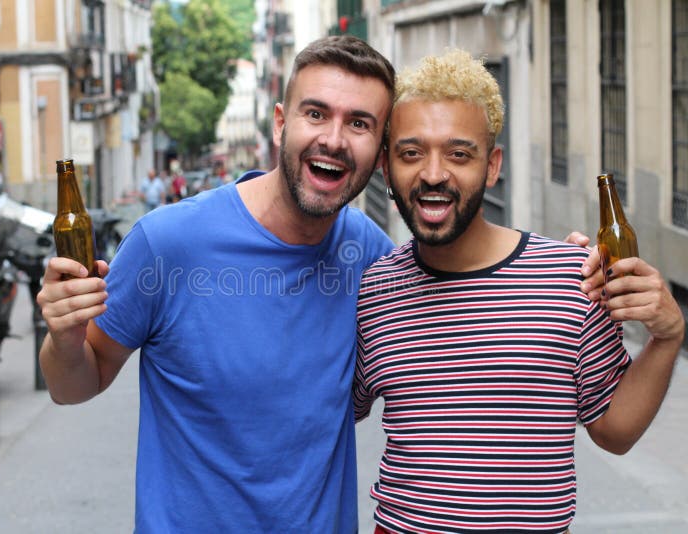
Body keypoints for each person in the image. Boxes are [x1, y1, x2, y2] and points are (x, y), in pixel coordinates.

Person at [37, 35, 396, 532]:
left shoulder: (372, 257)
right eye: (315, 113)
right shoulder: (166, 244)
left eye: (359, 123)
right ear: (280, 123)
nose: (333, 139)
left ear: (380, 152)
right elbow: (73, 385)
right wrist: (64, 337)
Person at [354, 49, 685, 534]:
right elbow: (328, 412)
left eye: (459, 154)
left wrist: (667, 337)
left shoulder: (571, 279)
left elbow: (614, 432)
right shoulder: (374, 289)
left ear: (492, 166)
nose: (433, 173)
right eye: (411, 153)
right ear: (386, 167)